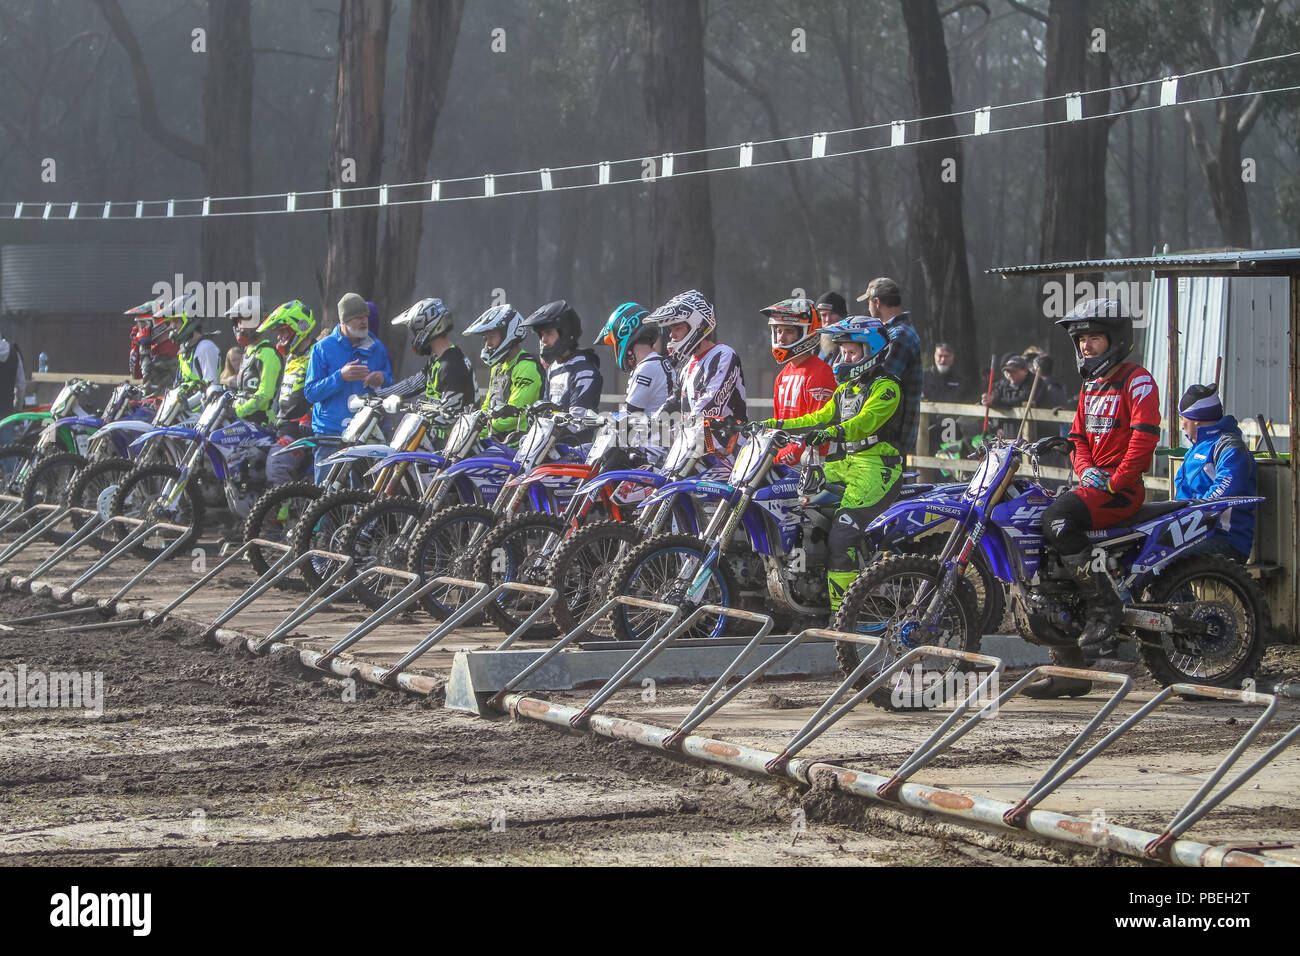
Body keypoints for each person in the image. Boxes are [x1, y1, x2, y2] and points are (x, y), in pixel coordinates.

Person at [1026, 298, 1161, 700]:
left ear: (1115, 339)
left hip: (1124, 492)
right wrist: (1086, 471)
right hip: (1094, 483)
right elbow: (1077, 438)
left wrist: (1117, 479)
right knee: (1040, 535)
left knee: (1058, 521)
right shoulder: (1091, 386)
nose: (1086, 345)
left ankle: (1105, 607)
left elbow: (1144, 435)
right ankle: (1069, 670)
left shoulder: (1137, 380)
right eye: (1082, 338)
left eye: (1094, 338)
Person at [763, 316, 906, 616]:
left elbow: (863, 423)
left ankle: (843, 617)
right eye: (842, 352)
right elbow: (816, 418)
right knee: (793, 498)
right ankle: (801, 583)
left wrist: (832, 433)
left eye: (852, 352)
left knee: (842, 538)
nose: (845, 358)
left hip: (877, 470)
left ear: (872, 351)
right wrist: (774, 424)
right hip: (846, 464)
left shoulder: (887, 388)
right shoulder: (846, 390)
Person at [304, 292, 393, 474]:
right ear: (344, 321)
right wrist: (340, 377)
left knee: (363, 496)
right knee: (325, 495)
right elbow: (311, 392)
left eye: (366, 316)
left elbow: (391, 383)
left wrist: (382, 378)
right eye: (358, 317)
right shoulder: (323, 348)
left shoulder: (377, 347)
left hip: (366, 432)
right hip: (330, 433)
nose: (364, 321)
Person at [1172, 383, 1257, 562]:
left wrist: (1189, 519)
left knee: (1165, 559)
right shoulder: (1194, 450)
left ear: (1196, 419)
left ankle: (1180, 592)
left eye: (1182, 420)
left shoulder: (1230, 447)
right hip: (1193, 534)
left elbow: (1224, 491)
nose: (1182, 427)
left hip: (1225, 539)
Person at [383, 298, 479, 442]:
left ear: (424, 328)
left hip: (455, 445)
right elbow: (413, 384)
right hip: (439, 442)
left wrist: (417, 411)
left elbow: (449, 415)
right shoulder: (438, 359)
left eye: (414, 332)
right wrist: (377, 396)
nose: (414, 337)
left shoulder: (452, 364)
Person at [654, 290, 748, 432]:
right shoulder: (686, 365)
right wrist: (647, 425)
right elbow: (673, 403)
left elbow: (710, 402)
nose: (672, 335)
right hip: (692, 445)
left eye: (678, 328)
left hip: (725, 450)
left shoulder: (724, 355)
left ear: (697, 326)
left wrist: (681, 428)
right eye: (670, 329)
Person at [762, 296, 835, 464]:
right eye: (778, 331)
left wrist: (778, 459)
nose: (781, 338)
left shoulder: (820, 373)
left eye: (789, 331)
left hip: (813, 465)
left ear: (806, 332)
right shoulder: (782, 376)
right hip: (786, 462)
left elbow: (820, 431)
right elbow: (777, 427)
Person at [521, 300, 605, 442]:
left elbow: (576, 423)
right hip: (548, 446)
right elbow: (546, 411)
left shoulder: (584, 370)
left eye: (548, 333)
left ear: (566, 333)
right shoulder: (554, 368)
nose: (543, 340)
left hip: (575, 453)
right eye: (541, 335)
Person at [857, 277, 921, 459]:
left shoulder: (898, 336)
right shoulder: (898, 332)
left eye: (868, 302)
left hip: (891, 437)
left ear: (877, 302)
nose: (868, 308)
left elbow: (882, 380)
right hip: (891, 435)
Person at [463, 303, 543, 445]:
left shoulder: (526, 366)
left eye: (492, 337)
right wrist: (472, 424)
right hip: (494, 439)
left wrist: (476, 428)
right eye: (485, 338)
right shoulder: (498, 367)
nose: (488, 343)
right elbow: (487, 406)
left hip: (516, 446)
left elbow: (515, 415)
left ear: (509, 333)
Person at [258, 300, 318, 487]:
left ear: (297, 328)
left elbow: (320, 390)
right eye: (279, 334)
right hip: (282, 424)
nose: (280, 339)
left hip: (302, 428)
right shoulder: (291, 356)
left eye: (283, 333)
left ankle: (282, 513)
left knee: (276, 465)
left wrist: (308, 418)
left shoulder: (317, 353)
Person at [595, 302, 674, 416]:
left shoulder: (647, 368)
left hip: (657, 433)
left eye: (613, 343)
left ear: (624, 332)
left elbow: (628, 415)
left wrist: (600, 419)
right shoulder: (656, 362)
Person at [224, 296, 282, 425]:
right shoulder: (248, 351)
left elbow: (265, 394)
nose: (241, 327)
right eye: (238, 322)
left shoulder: (267, 353)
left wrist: (239, 411)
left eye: (245, 321)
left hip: (263, 424)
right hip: (245, 422)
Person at [157, 292, 220, 389]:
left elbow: (212, 389)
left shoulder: (205, 347)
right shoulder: (185, 350)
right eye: (171, 321)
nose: (172, 326)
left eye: (176, 321)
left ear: (191, 319)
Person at [126, 298, 179, 391]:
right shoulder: (154, 347)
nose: (140, 329)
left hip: (164, 399)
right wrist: (136, 342)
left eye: (143, 324)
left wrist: (144, 347)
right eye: (138, 325)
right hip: (152, 399)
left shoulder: (171, 347)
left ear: (158, 323)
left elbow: (148, 376)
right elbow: (136, 374)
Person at [814, 291, 848, 364]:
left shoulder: (851, 345)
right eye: (823, 315)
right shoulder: (813, 346)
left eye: (832, 314)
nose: (828, 320)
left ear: (843, 317)